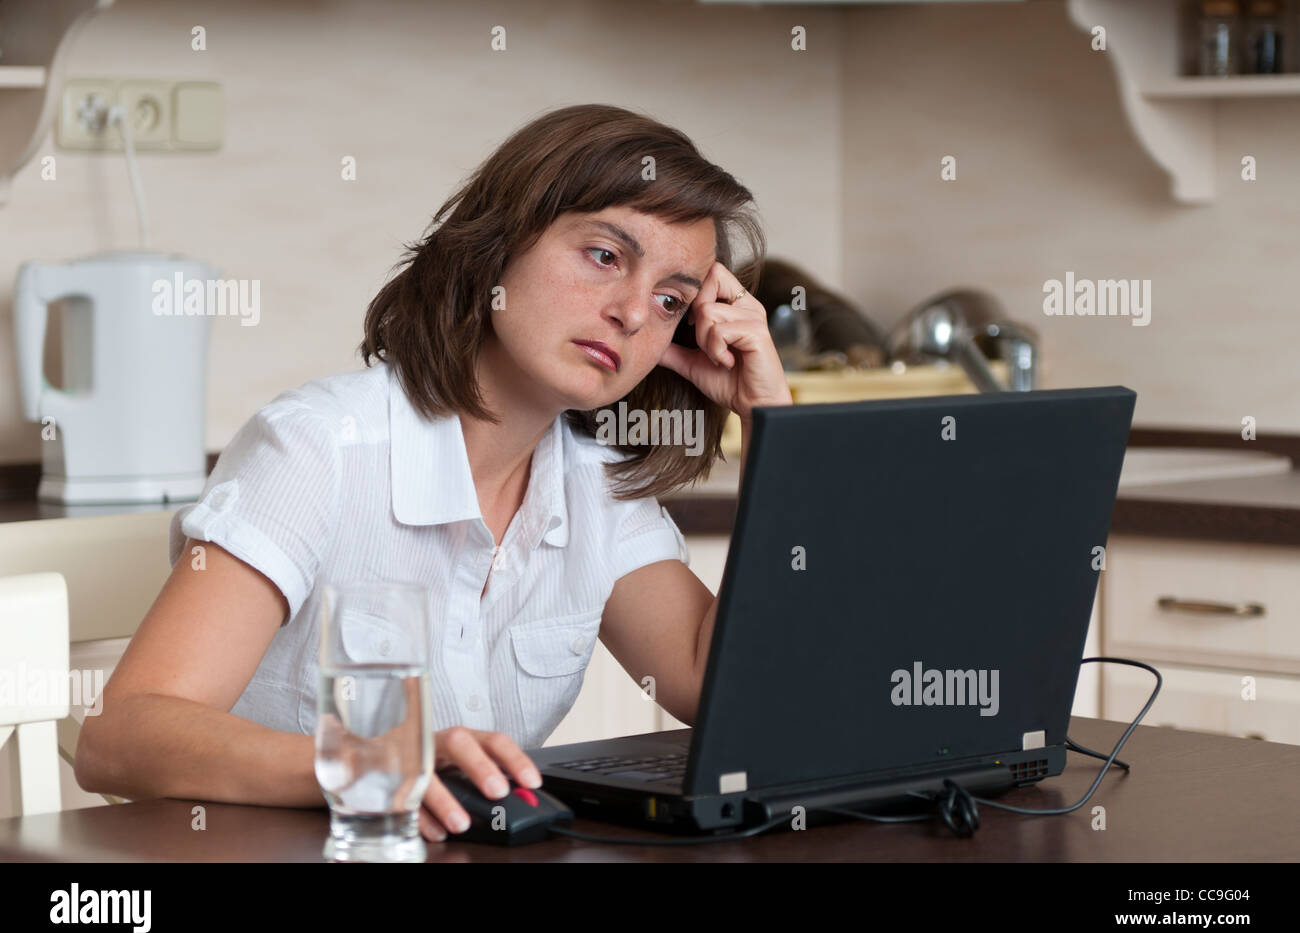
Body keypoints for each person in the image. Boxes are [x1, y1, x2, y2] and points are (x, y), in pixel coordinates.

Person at [75, 103, 792, 843]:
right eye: (605, 256)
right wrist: (375, 764)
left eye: (671, 300)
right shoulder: (317, 448)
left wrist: (773, 420)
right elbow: (119, 736)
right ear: (498, 244)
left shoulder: (599, 490)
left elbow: (726, 689)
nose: (635, 314)